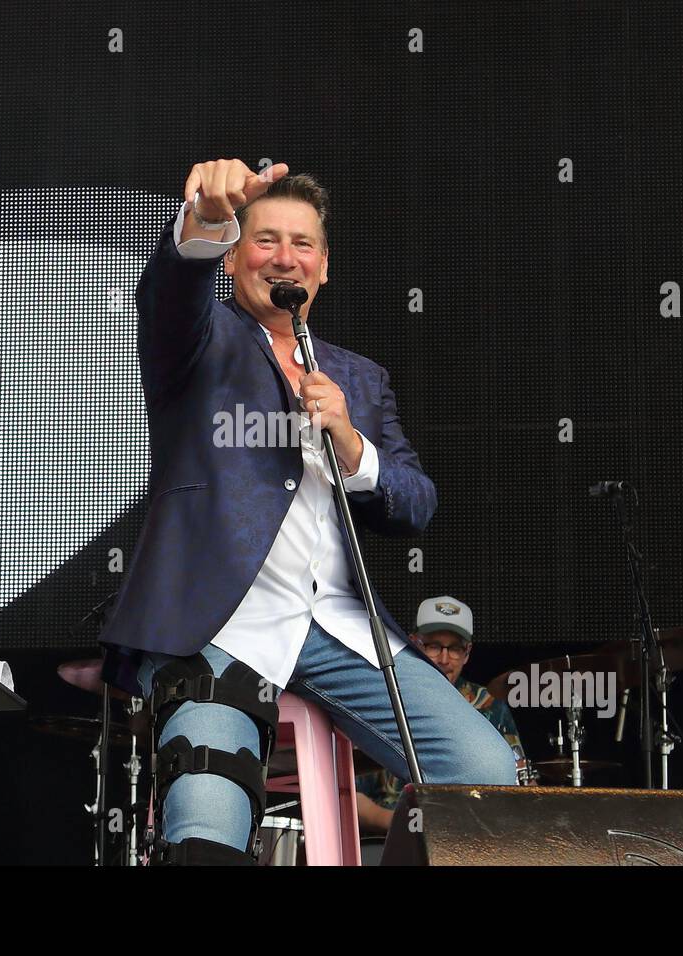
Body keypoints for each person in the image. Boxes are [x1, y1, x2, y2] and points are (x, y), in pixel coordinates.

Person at [98, 158, 515, 865]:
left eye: (303, 244)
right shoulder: (200, 342)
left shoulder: (358, 377)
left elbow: (415, 504)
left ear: (323, 268)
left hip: (340, 628)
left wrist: (352, 445)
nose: (285, 256)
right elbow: (168, 294)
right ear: (232, 258)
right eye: (264, 240)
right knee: (205, 830)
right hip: (222, 625)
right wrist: (203, 217)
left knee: (486, 777)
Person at [355, 596, 528, 834]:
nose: (444, 659)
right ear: (414, 643)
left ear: (467, 653)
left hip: (472, 835)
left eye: (455, 648)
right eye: (434, 646)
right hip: (390, 838)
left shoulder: (489, 704)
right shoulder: (386, 699)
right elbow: (349, 795)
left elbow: (519, 785)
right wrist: (401, 825)